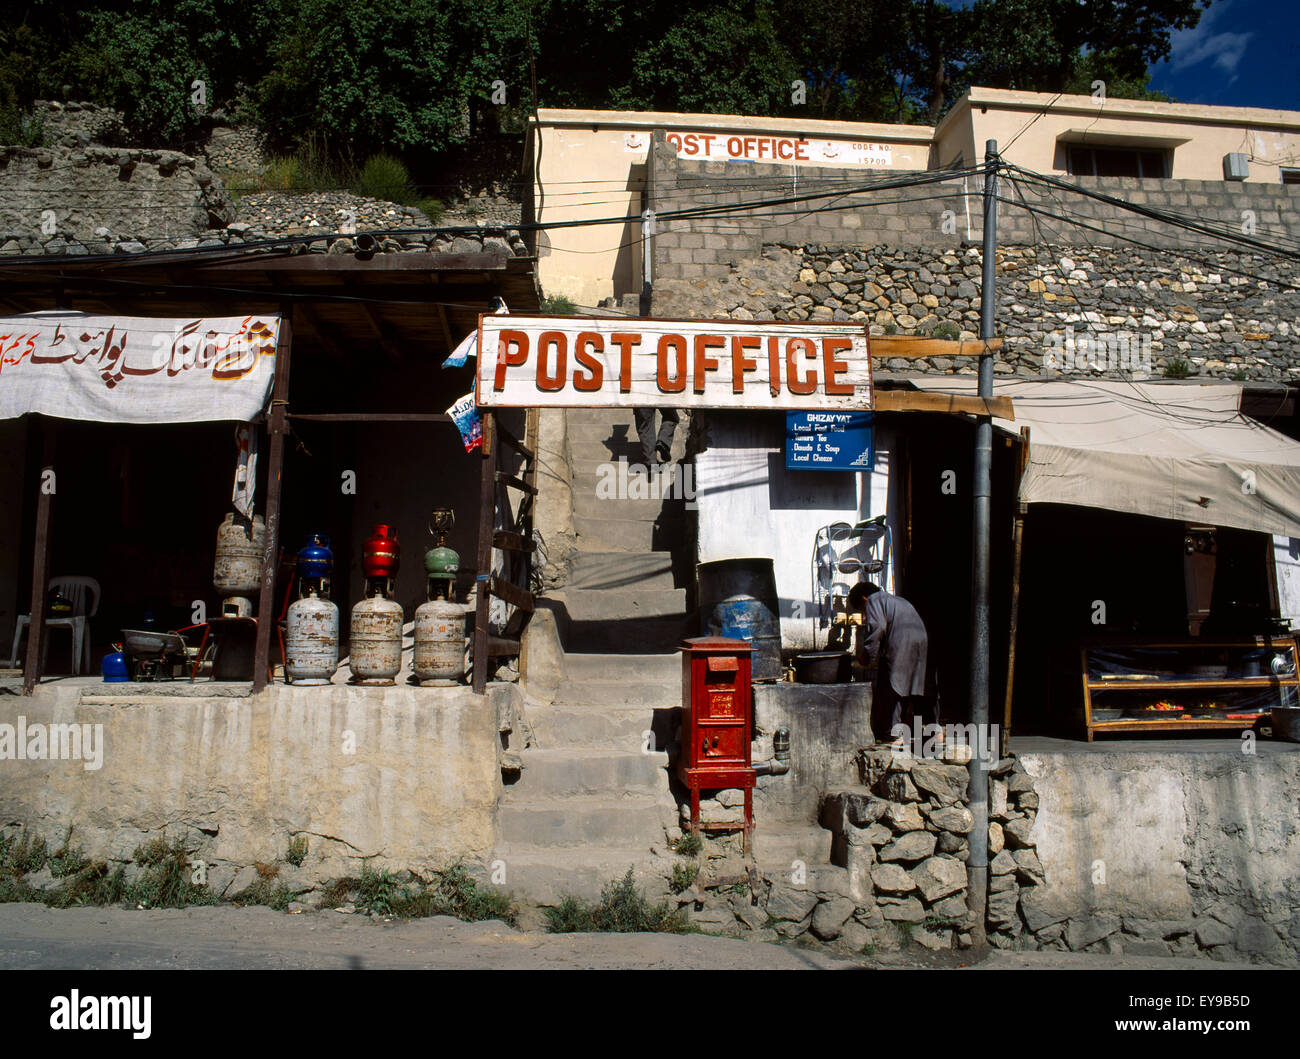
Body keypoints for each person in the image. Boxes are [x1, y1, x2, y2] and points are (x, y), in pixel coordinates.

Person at [849, 581, 936, 744]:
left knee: (894, 685)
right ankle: (935, 730)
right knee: (918, 685)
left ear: (864, 599)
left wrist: (867, 657)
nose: (864, 614)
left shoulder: (873, 601)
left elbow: (877, 628)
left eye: (862, 610)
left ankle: (895, 734)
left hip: (901, 641)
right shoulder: (898, 600)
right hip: (921, 640)